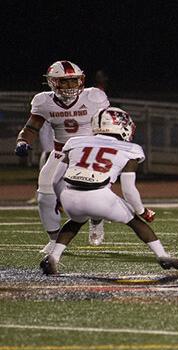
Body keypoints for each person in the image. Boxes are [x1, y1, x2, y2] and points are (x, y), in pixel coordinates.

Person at [40, 107, 178, 275]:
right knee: (135, 221)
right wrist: (142, 211)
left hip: (69, 194)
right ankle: (162, 256)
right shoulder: (131, 149)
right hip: (99, 195)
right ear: (122, 126)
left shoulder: (75, 142)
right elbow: (128, 190)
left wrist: (60, 199)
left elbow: (56, 179)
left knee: (75, 222)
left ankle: (52, 257)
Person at [15, 61, 110, 254]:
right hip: (61, 153)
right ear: (52, 82)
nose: (70, 86)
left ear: (81, 80)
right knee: (44, 196)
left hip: (88, 153)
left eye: (73, 81)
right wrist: (22, 141)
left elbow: (108, 123)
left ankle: (97, 221)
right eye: (64, 82)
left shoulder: (94, 97)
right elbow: (31, 128)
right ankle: (54, 239)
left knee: (96, 195)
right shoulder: (44, 101)